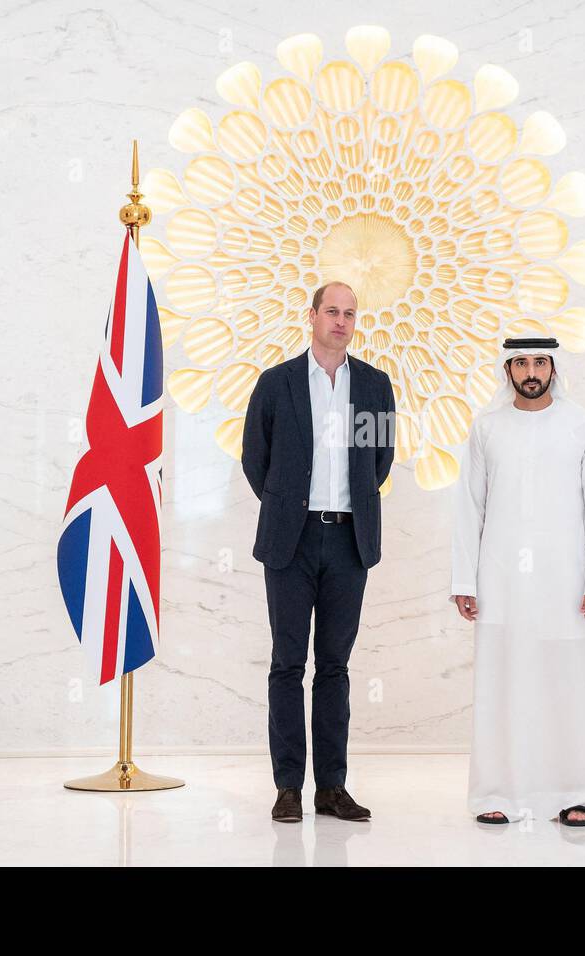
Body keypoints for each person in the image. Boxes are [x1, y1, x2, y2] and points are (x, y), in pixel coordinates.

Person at [241, 281, 397, 823]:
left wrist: (343, 506)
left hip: (350, 540)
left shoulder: (375, 387)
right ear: (311, 316)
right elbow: (254, 458)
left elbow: (380, 460)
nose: (341, 320)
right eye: (331, 310)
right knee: (287, 663)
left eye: (350, 313)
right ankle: (288, 786)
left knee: (334, 665)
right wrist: (288, 506)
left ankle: (331, 787)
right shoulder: (277, 382)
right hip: (292, 540)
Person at [449, 336, 585, 827]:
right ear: (508, 370)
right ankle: (495, 793)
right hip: (499, 580)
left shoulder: (582, 426)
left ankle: (578, 792)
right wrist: (465, 579)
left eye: (539, 361)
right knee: (501, 681)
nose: (531, 370)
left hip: (564, 579)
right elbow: (468, 507)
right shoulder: (486, 429)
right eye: (521, 362)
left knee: (569, 684)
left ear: (553, 367)